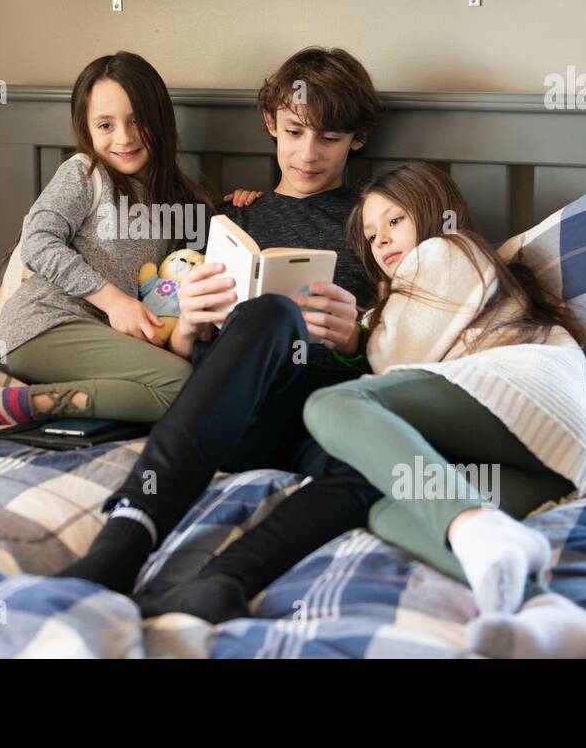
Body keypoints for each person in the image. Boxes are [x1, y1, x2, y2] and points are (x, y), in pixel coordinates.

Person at [56, 46, 385, 623]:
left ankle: (224, 581)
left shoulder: (379, 218)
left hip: (323, 415)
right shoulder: (233, 220)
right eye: (293, 132)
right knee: (270, 314)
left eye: (329, 138)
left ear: (357, 138)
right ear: (270, 125)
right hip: (237, 420)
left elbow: (417, 334)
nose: (308, 154)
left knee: (381, 461)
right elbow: (187, 355)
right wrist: (188, 323)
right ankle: (126, 538)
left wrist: (358, 341)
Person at [303, 162, 586, 657]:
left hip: (519, 393)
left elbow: (396, 362)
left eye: (394, 221)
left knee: (330, 404)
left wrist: (357, 338)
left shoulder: (449, 250)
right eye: (370, 235)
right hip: (554, 464)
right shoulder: (419, 289)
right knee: (389, 509)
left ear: (433, 213)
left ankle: (478, 527)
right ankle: (549, 614)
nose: (381, 242)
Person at [0, 52, 211, 425]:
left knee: (191, 386)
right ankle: (30, 403)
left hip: (95, 344)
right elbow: (38, 240)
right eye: (105, 125)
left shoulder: (173, 200)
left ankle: (48, 405)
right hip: (42, 326)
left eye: (138, 120)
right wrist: (114, 301)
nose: (124, 137)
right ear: (87, 129)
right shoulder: (85, 173)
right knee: (179, 386)